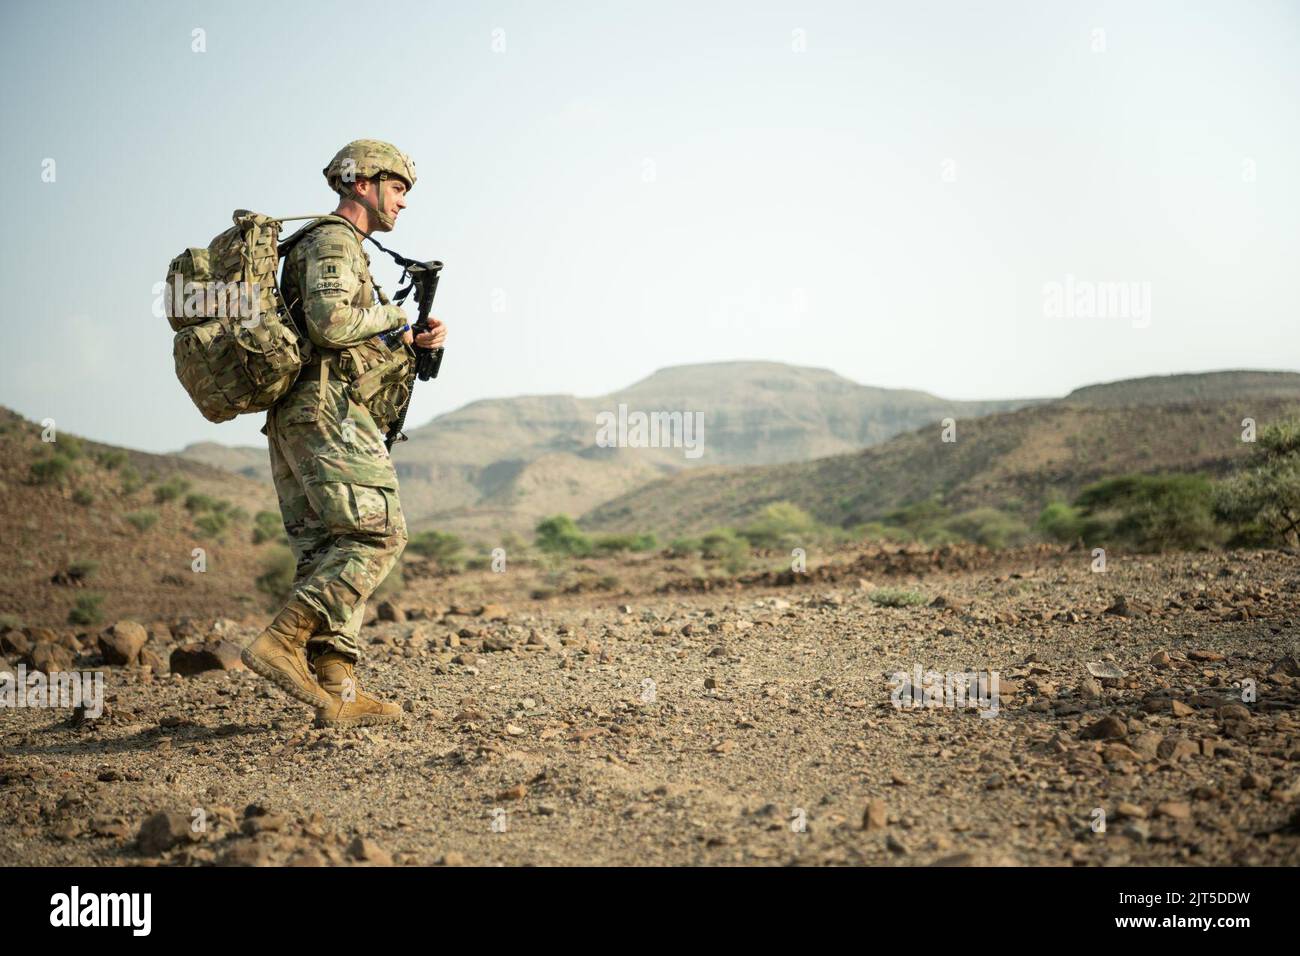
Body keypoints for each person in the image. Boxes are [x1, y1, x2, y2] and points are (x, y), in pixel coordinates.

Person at [240, 140, 446, 727]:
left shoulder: (339, 247)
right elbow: (332, 326)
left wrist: (406, 341)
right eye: (399, 187)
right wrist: (396, 317)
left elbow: (336, 330)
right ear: (363, 184)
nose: (404, 202)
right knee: (378, 533)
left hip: (300, 413)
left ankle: (338, 687)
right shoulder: (332, 241)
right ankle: (281, 640)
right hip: (324, 408)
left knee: (326, 551)